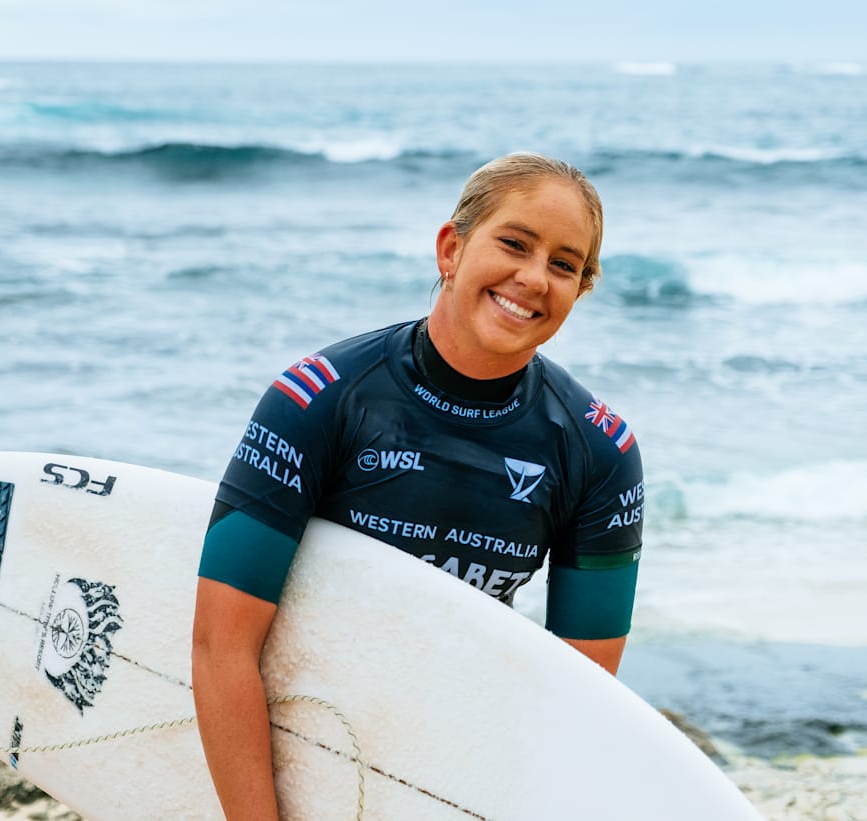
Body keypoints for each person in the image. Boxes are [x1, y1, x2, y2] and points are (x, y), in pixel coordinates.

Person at [191, 152, 644, 819]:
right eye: (515, 244)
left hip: (451, 757)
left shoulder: (600, 453)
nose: (533, 277)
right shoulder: (320, 399)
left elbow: (577, 696)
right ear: (451, 249)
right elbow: (220, 644)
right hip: (294, 733)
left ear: (580, 289)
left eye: (564, 264)